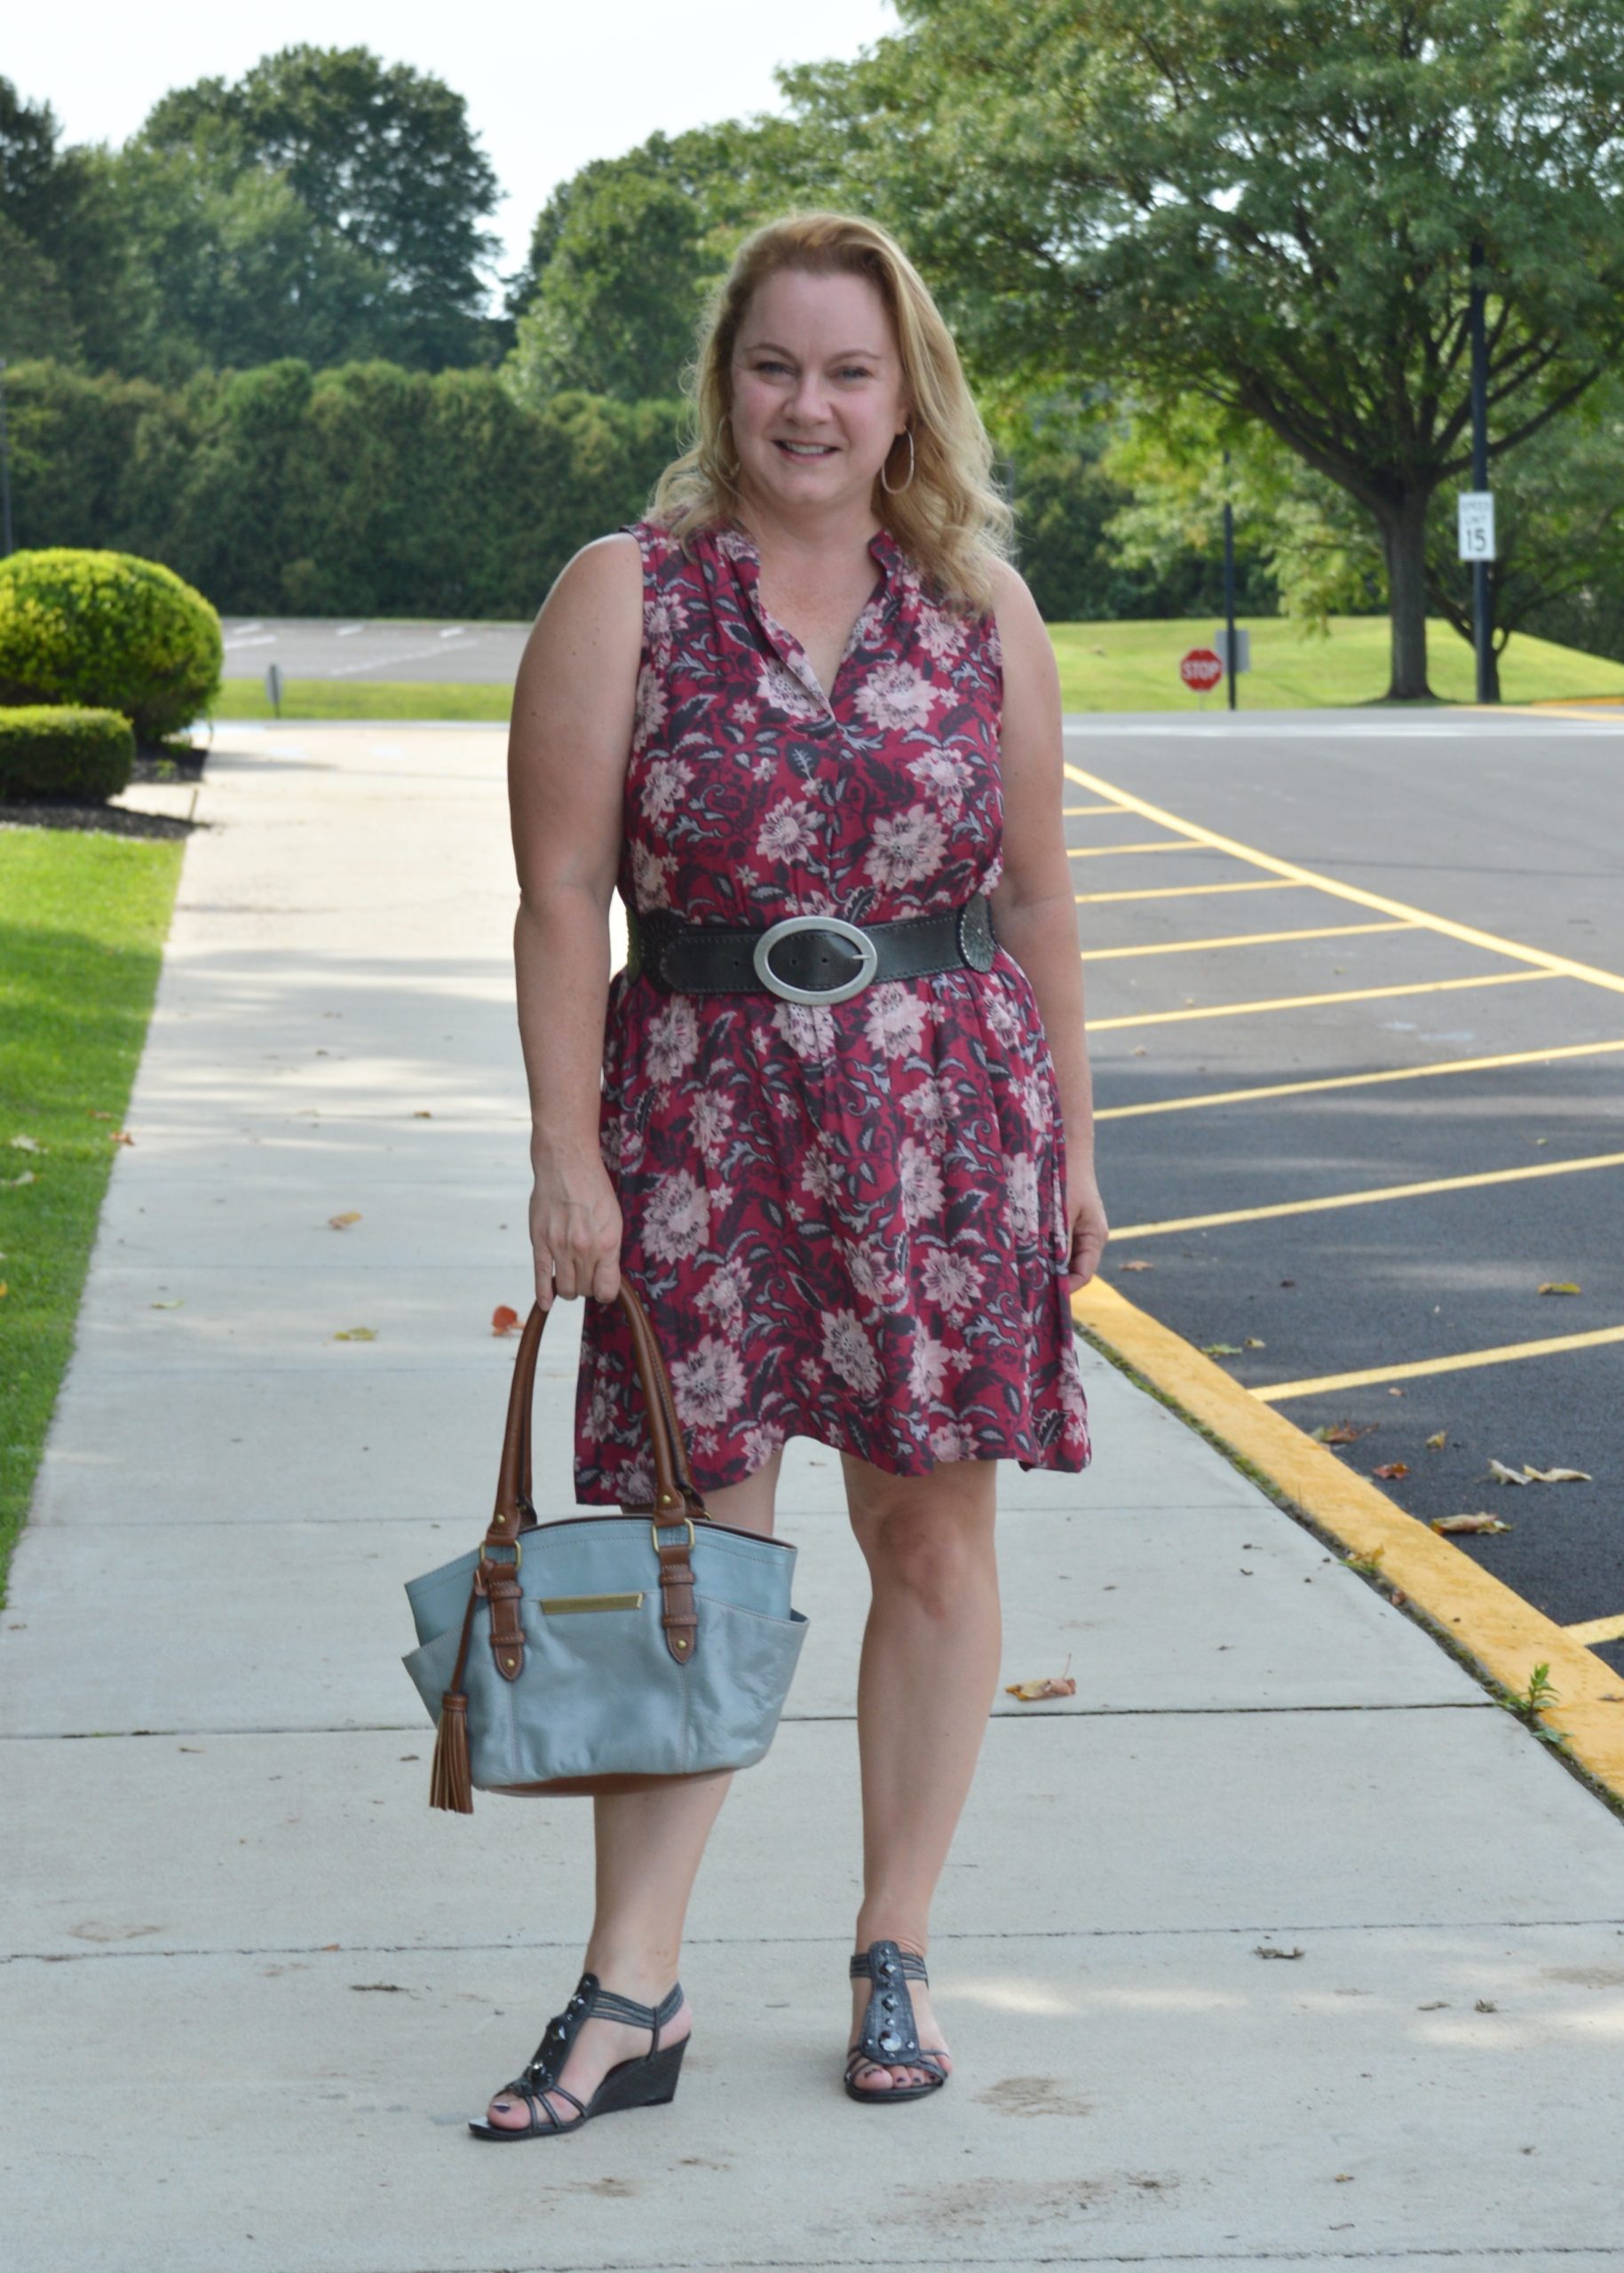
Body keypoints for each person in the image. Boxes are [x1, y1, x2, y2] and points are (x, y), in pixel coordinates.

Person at [473, 210, 1108, 2140]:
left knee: (930, 1540)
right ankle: (630, 1987)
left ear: (904, 385)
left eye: (847, 368)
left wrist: (1079, 1143)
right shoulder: (629, 592)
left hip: (940, 1120)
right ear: (722, 382)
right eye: (775, 366)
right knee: (703, 1556)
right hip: (699, 1118)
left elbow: (1035, 891)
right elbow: (560, 899)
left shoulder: (980, 606)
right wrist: (566, 1153)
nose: (809, 405)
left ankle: (892, 1941)